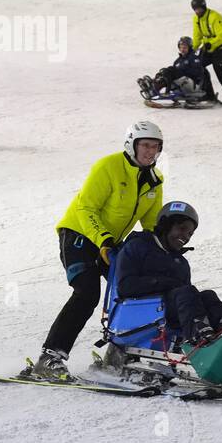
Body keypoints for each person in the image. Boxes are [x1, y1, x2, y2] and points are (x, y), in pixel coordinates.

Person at [32, 121, 166, 381]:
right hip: (79, 235)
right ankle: (49, 358)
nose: (150, 151)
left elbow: (152, 225)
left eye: (155, 146)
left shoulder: (155, 180)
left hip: (110, 244)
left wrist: (163, 249)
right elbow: (85, 208)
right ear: (132, 145)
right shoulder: (109, 167)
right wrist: (103, 239)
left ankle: (119, 355)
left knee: (133, 291)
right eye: (145, 145)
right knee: (87, 292)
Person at [113, 201, 222, 351]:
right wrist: (165, 283)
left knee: (207, 296)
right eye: (182, 229)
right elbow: (125, 286)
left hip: (168, 314)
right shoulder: (137, 246)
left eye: (190, 234)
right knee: (186, 292)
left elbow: (188, 301)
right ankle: (198, 337)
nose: (186, 237)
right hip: (138, 312)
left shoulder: (181, 263)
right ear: (166, 225)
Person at [138, 36, 207, 101]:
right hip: (181, 84)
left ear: (189, 48)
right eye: (181, 48)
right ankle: (152, 89)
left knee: (172, 71)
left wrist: (182, 72)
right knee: (166, 73)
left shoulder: (193, 58)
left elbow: (198, 73)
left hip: (192, 85)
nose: (182, 50)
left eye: (185, 48)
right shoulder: (177, 61)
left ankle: (154, 88)